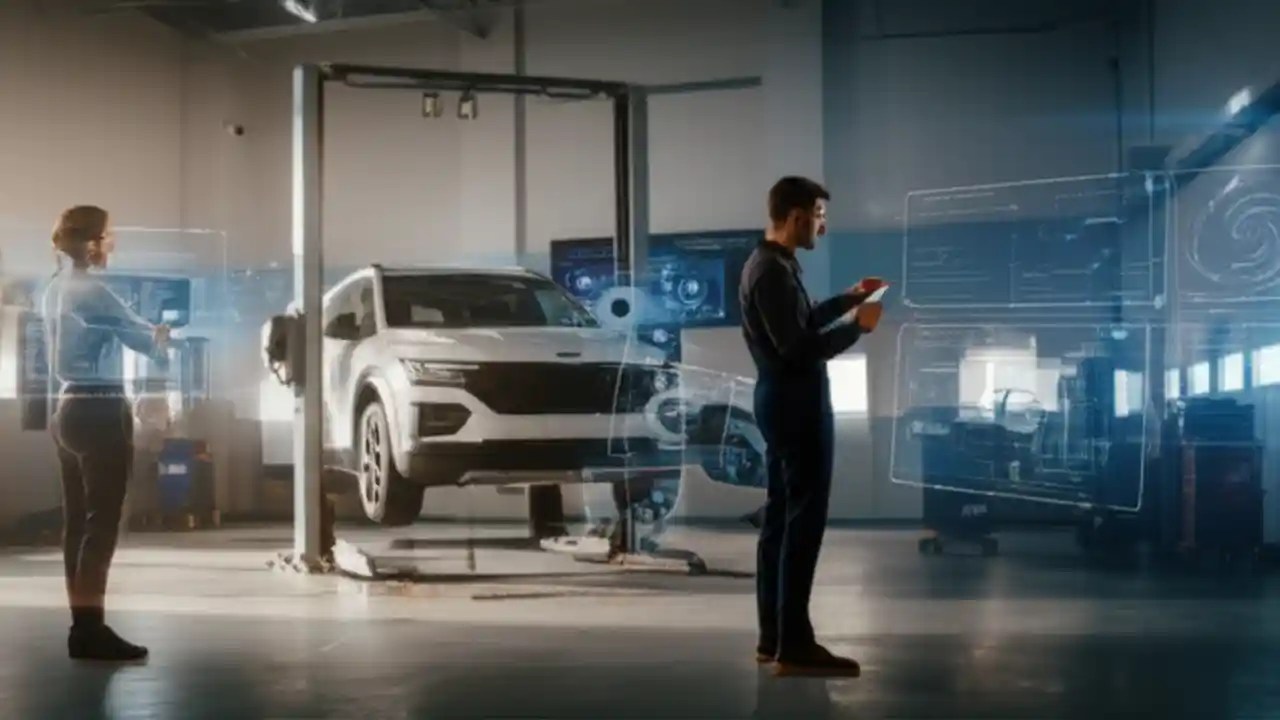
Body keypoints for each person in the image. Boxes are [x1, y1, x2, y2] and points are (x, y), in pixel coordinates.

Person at [740, 177, 884, 677]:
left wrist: (848, 299)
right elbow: (797, 349)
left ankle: (774, 640)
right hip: (795, 406)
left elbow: (799, 326)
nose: (823, 224)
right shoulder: (771, 273)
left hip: (784, 402)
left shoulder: (773, 266)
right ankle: (795, 647)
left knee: (782, 520)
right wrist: (856, 329)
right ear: (798, 216)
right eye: (820, 214)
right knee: (801, 523)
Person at [44, 205, 170, 661]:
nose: (112, 245)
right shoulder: (93, 290)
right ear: (93, 242)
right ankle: (91, 629)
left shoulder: (55, 288)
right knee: (102, 522)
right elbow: (145, 340)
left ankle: (82, 627)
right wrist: (160, 332)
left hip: (66, 410)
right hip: (99, 410)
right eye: (108, 237)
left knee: (76, 523)